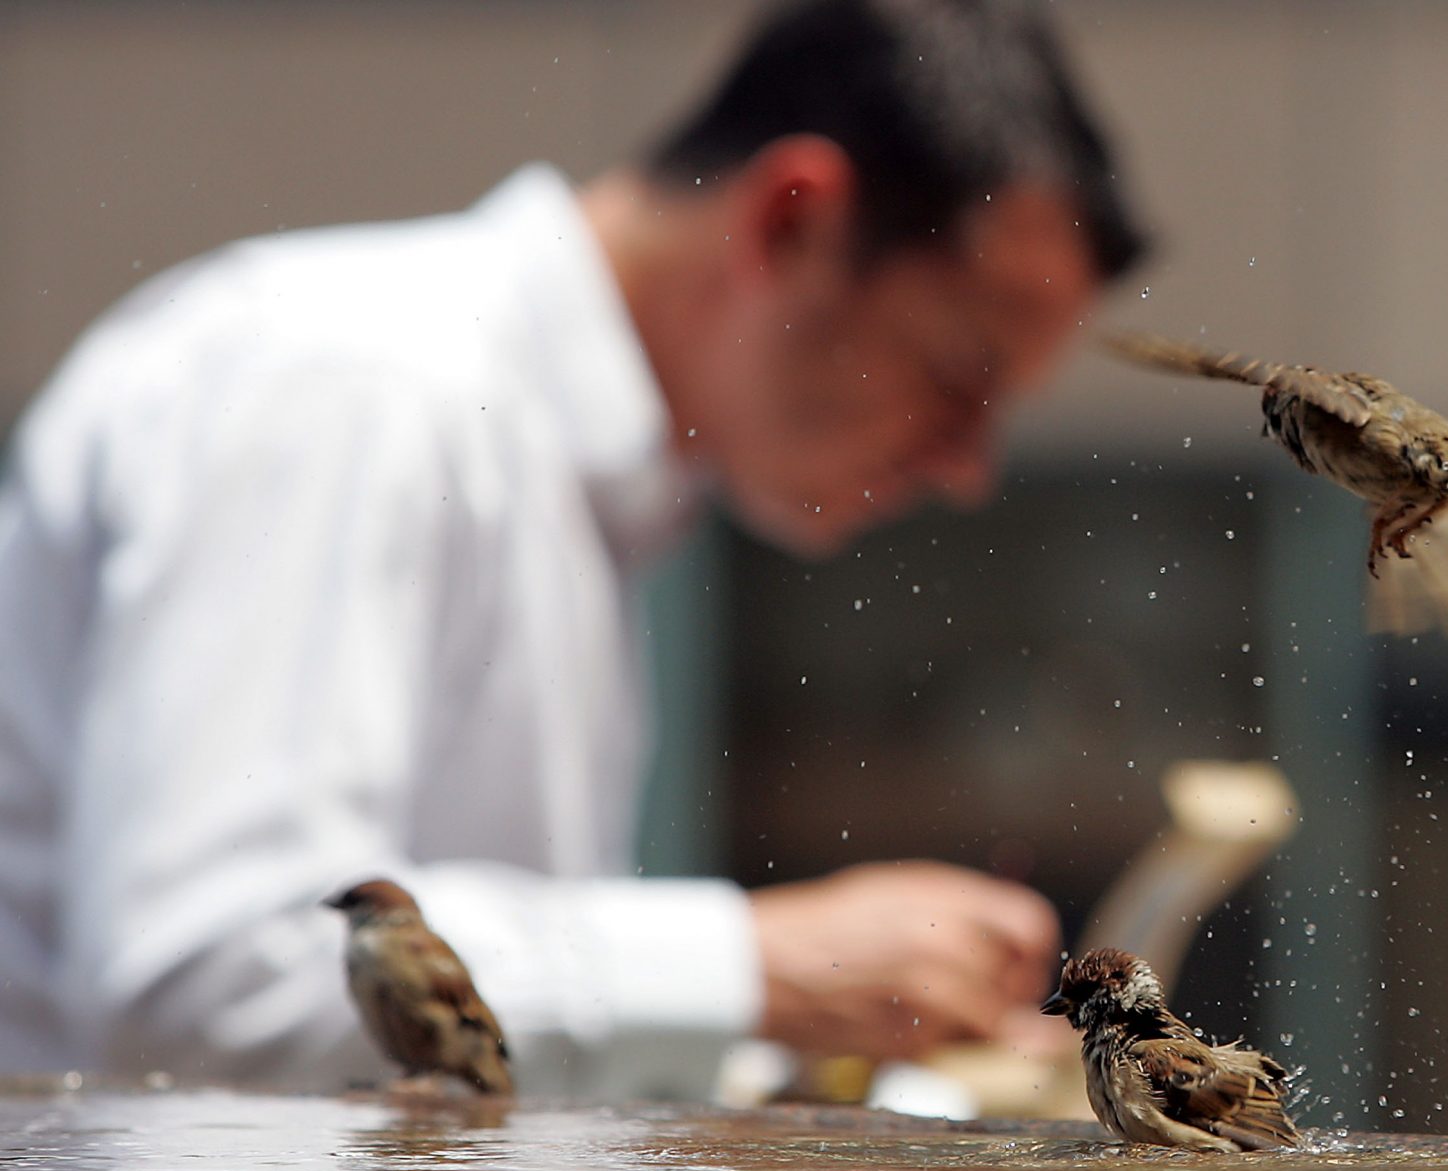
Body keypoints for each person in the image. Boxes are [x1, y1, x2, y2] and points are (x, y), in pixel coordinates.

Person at [0, 0, 1145, 1097]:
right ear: (791, 217)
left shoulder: (553, 465)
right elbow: (205, 980)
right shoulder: (352, 385)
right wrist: (753, 966)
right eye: (957, 377)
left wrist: (778, 1041)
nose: (967, 466)